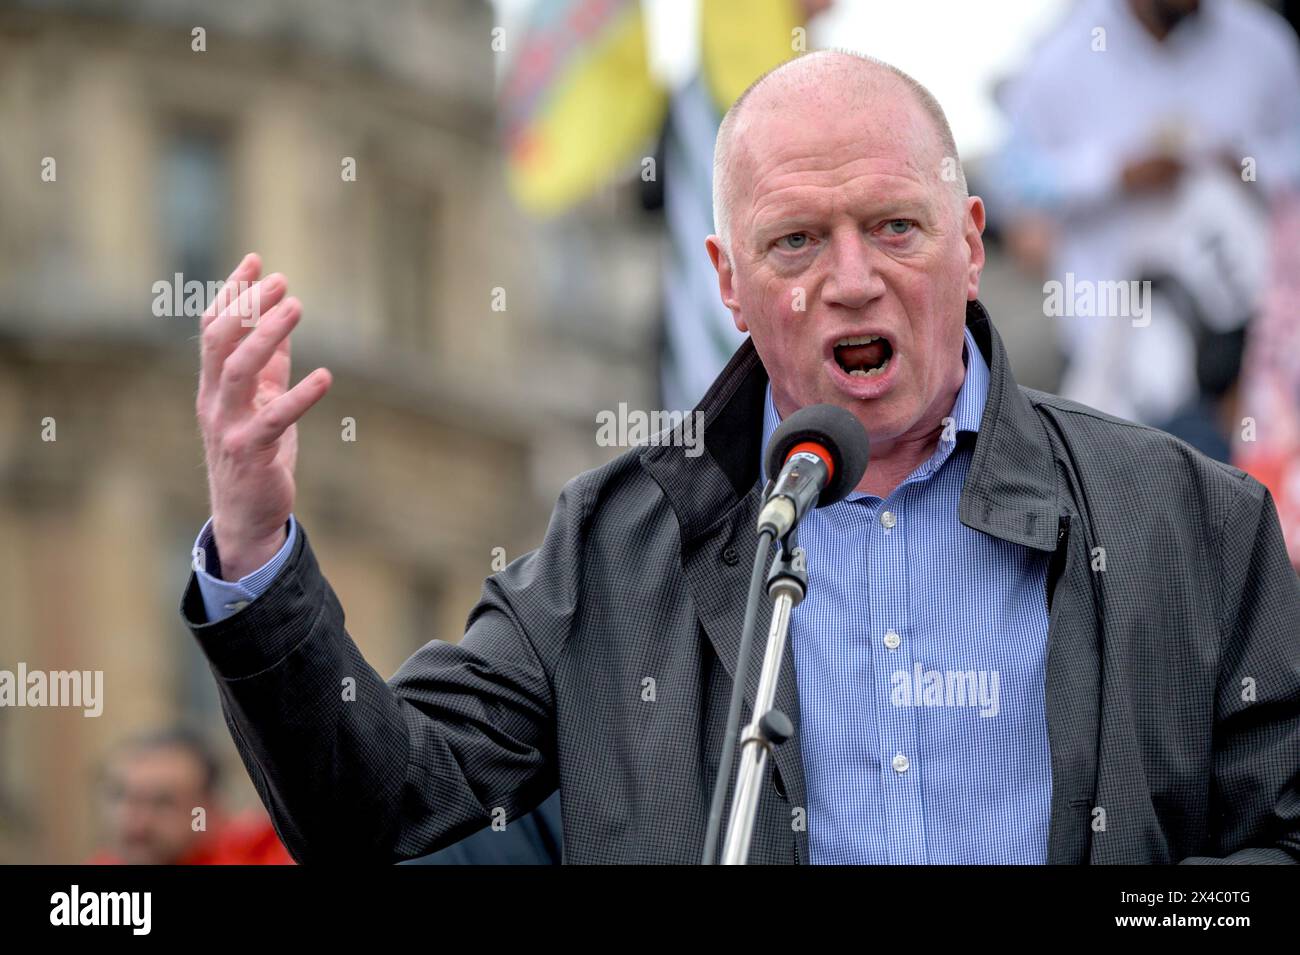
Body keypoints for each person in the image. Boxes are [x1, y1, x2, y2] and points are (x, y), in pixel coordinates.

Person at [182, 51, 1300, 864]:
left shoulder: (1183, 521)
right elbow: (381, 803)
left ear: (969, 241)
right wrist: (253, 545)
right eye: (797, 240)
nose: (852, 277)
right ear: (727, 281)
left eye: (895, 228)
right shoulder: (614, 548)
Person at [995, 0, 1300, 424]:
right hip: (1107, 349)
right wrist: (1113, 173)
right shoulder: (1062, 54)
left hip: (1249, 354)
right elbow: (1013, 177)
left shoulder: (1263, 44)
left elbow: (1292, 151)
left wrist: (1247, 165)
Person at [88, 726, 292, 865]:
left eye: (163, 803)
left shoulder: (268, 850)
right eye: (121, 797)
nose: (136, 823)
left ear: (211, 807)